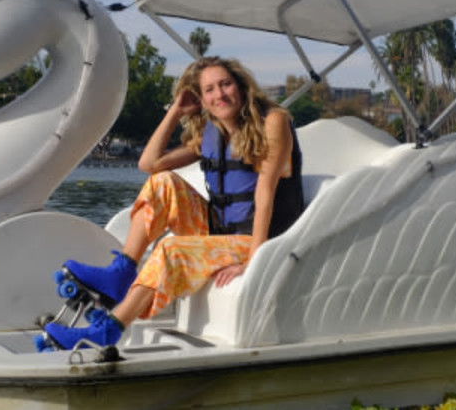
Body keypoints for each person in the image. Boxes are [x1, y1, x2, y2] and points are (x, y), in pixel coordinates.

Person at [39, 56, 304, 350]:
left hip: (260, 239)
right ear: (201, 100)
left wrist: (254, 261)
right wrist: (176, 111)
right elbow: (149, 163)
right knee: (161, 182)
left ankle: (109, 330)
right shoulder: (211, 133)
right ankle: (122, 271)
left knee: (169, 248)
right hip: (220, 234)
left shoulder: (273, 121)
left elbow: (264, 193)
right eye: (210, 90)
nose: (220, 94)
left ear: (241, 86)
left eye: (225, 84)